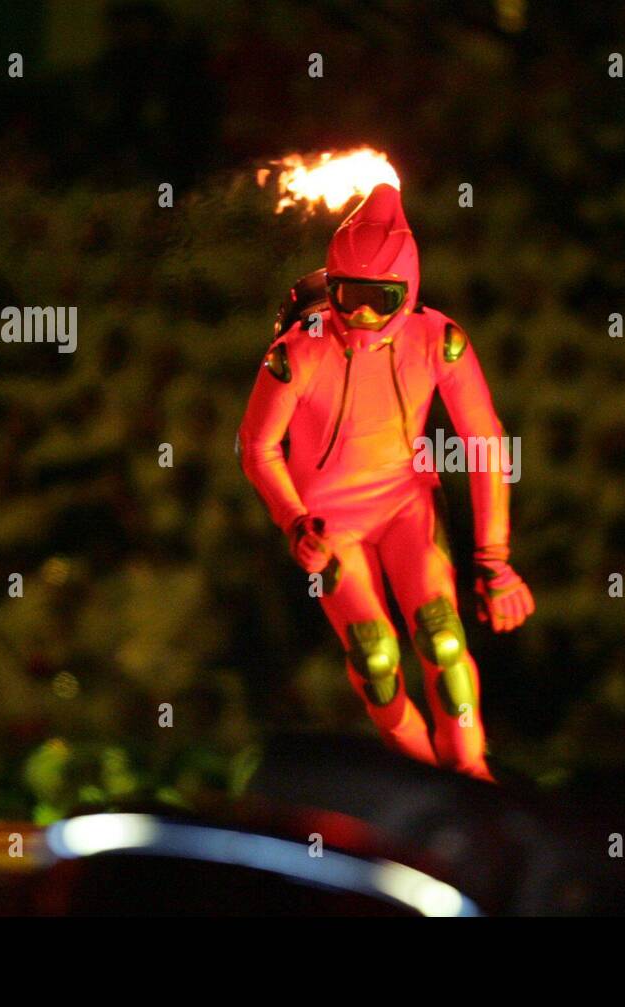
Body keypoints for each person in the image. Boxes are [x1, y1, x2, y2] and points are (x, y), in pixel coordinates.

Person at [237, 184, 533, 780]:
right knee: (375, 655)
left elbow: (485, 441)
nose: (364, 314)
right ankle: (424, 775)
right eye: (350, 296)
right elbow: (257, 446)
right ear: (331, 286)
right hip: (328, 519)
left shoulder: (438, 341)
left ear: (409, 290)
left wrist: (495, 559)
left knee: (442, 638)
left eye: (382, 297)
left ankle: (471, 771)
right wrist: (294, 520)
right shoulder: (301, 350)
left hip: (405, 501)